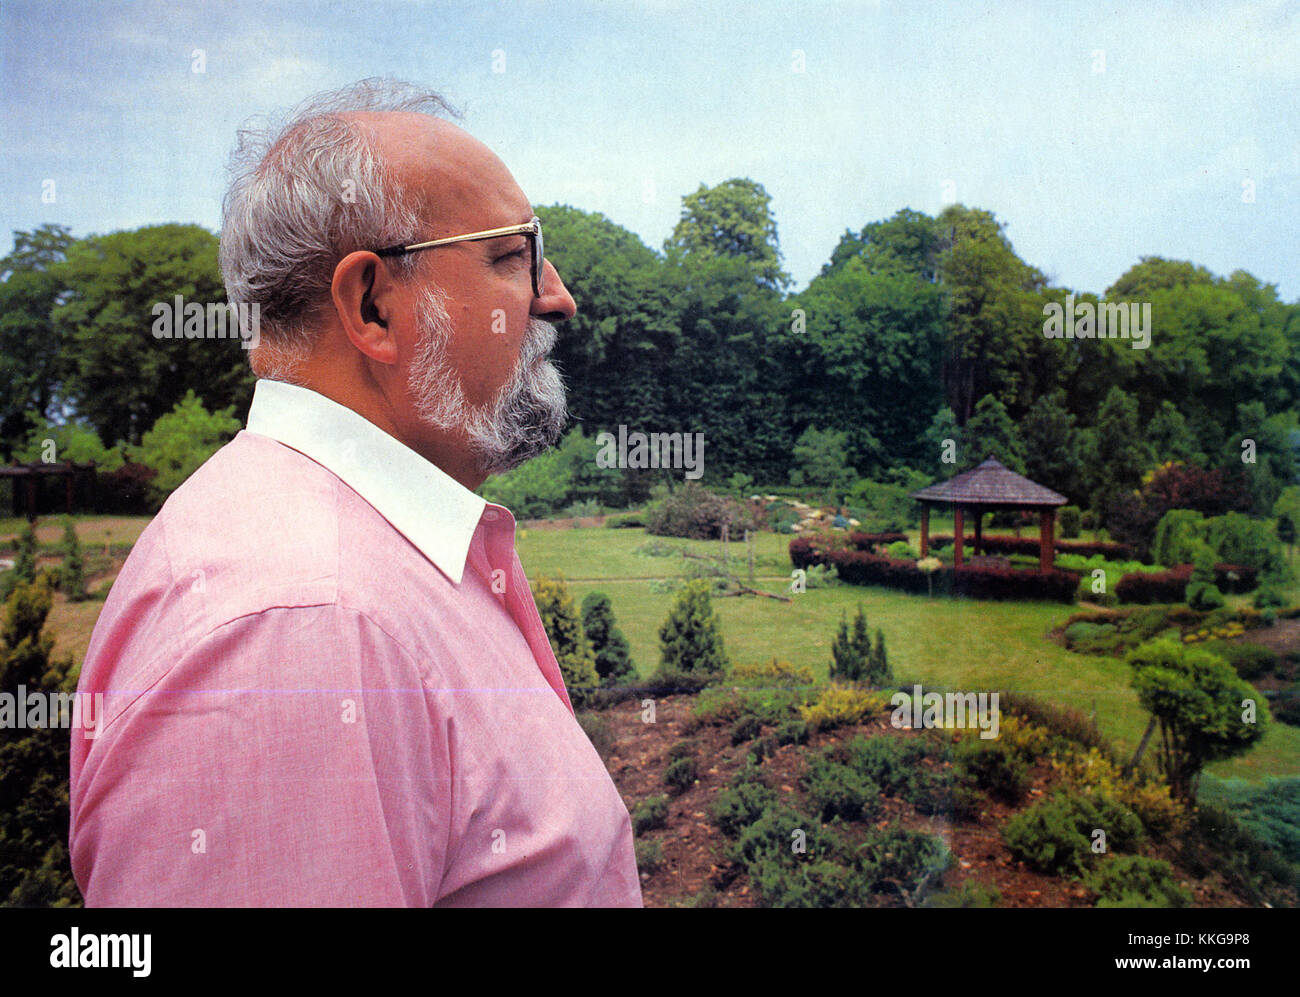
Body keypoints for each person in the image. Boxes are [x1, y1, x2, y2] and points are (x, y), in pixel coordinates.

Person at [69, 79, 642, 907]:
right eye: (514, 254)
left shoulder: (358, 567)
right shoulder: (301, 625)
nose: (557, 294)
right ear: (373, 304)